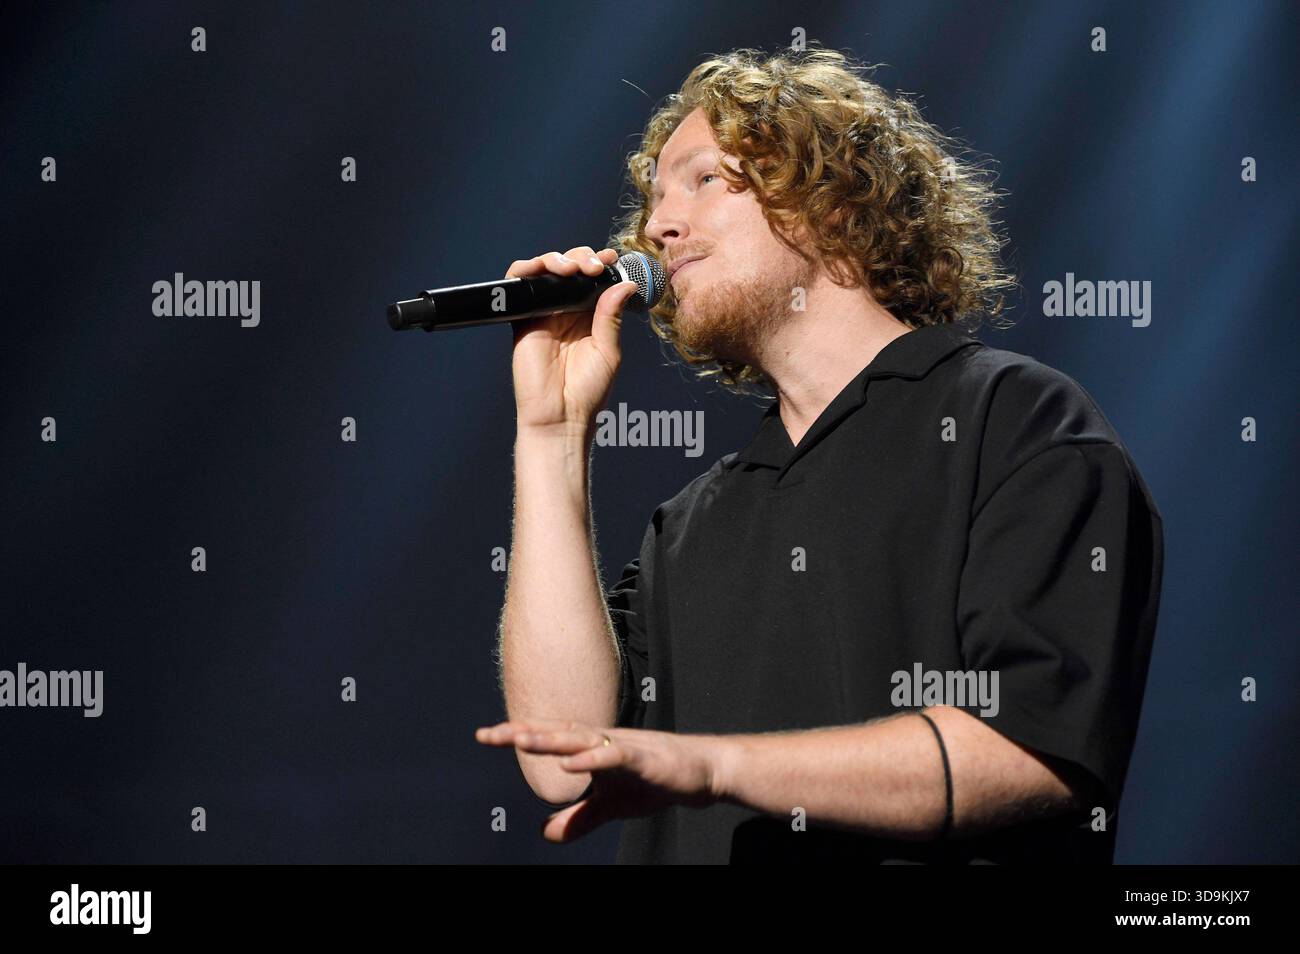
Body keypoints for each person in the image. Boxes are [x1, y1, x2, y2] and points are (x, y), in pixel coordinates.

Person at [477, 46, 1163, 864]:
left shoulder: (1016, 422)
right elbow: (560, 757)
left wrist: (714, 764)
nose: (658, 225)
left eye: (703, 180)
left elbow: (1028, 750)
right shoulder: (692, 524)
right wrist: (550, 437)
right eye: (655, 198)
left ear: (833, 201)